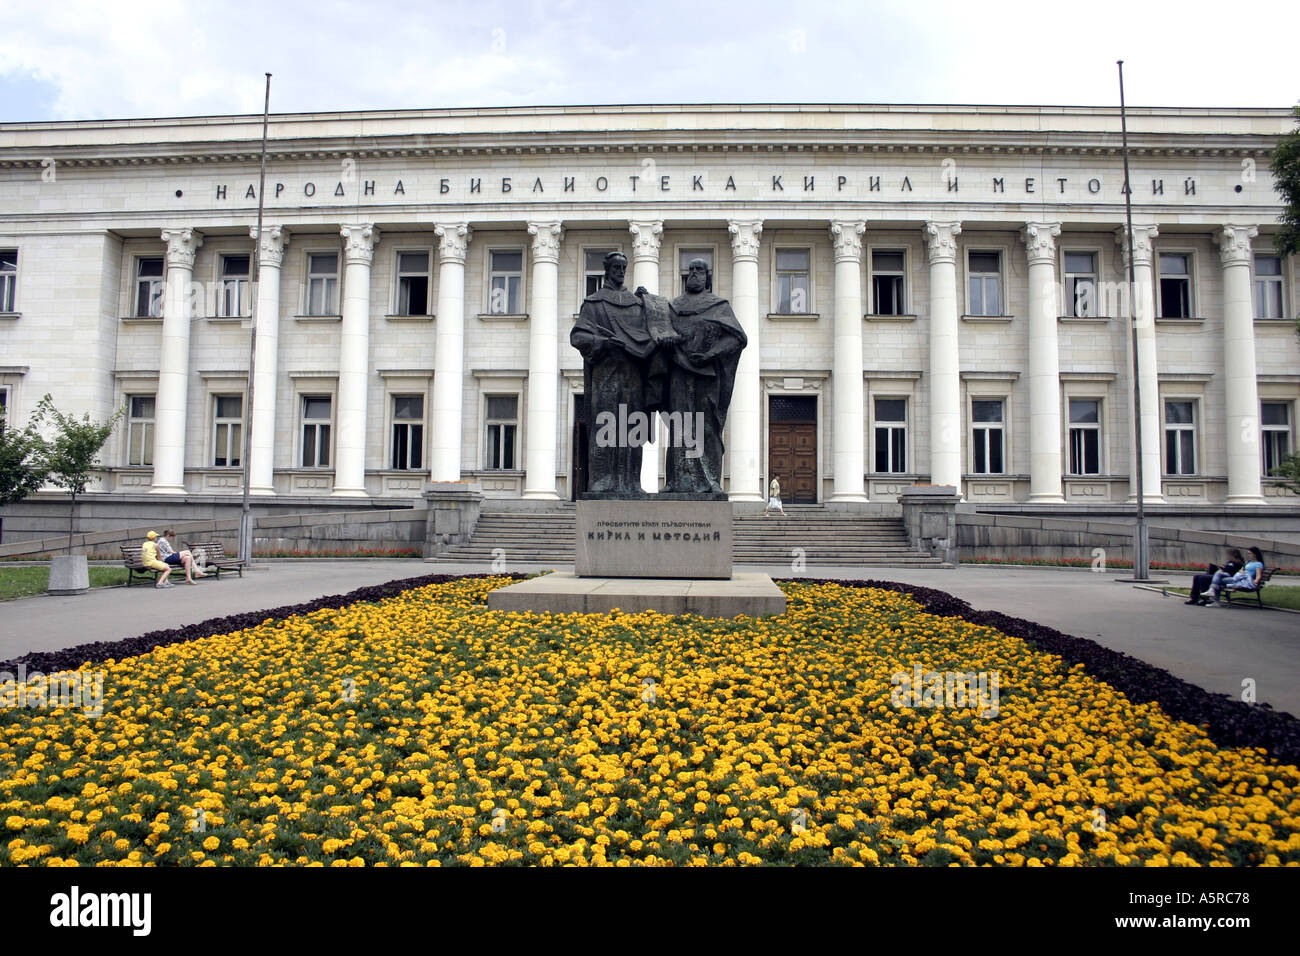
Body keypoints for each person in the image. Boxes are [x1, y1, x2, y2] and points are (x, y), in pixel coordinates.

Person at [570, 252, 674, 496]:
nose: (619, 270)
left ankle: (630, 482)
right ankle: (602, 481)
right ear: (607, 269)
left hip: (633, 376)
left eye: (623, 267)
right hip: (606, 375)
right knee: (605, 428)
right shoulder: (594, 303)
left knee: (632, 430)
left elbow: (654, 332)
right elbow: (578, 337)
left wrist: (651, 306)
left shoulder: (636, 303)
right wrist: (603, 343)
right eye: (615, 266)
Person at [658, 258, 747, 494]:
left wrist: (710, 354)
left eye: (700, 270)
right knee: (679, 426)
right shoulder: (673, 306)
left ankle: (710, 480)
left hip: (707, 375)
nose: (695, 273)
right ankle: (676, 480)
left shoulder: (719, 306)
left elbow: (737, 338)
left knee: (707, 427)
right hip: (679, 372)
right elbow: (660, 333)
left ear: (708, 276)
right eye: (691, 270)